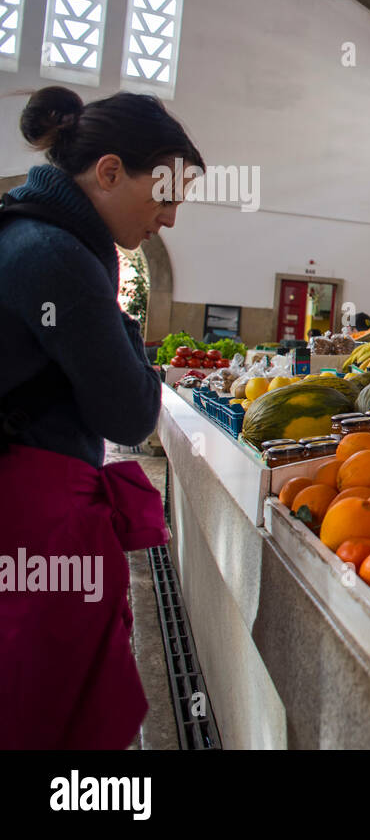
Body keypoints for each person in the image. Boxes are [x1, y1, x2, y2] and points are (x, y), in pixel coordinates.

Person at [0, 86, 205, 749]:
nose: (169, 218)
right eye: (165, 196)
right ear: (110, 172)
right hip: (31, 532)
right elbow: (128, 409)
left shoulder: (30, 232)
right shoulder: (56, 255)